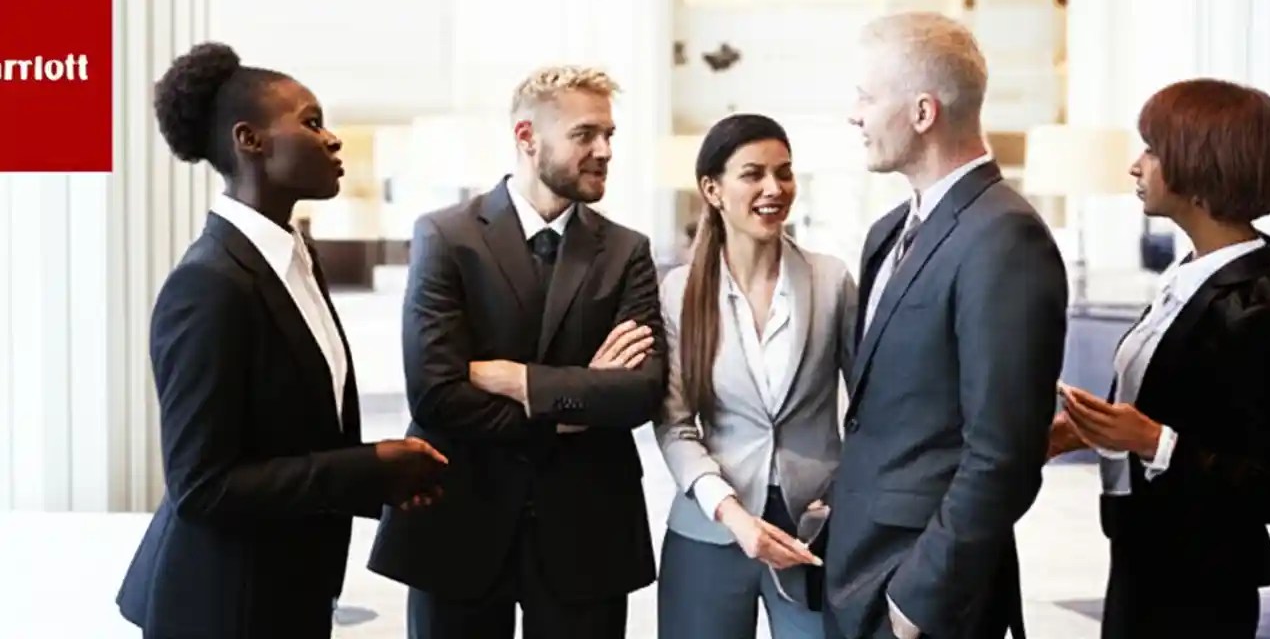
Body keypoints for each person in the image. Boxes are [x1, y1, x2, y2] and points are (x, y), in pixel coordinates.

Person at [115, 42, 449, 639]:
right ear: (251, 140)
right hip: (224, 604)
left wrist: (381, 479)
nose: (333, 139)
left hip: (288, 589)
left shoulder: (296, 260)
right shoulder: (208, 283)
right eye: (312, 122)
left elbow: (296, 437)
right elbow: (202, 485)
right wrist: (367, 469)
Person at [366, 64, 667, 639]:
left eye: (609, 135)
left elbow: (638, 392)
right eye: (585, 135)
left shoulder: (626, 251)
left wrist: (518, 381)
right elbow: (436, 394)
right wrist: (577, 403)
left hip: (586, 534)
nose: (605, 150)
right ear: (527, 137)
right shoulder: (446, 236)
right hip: (458, 524)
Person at [823, 12, 1069, 639]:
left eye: (866, 96)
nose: (854, 114)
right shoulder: (887, 233)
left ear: (923, 112)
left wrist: (920, 599)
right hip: (859, 566)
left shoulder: (1005, 238)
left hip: (928, 591)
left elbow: (1004, 453)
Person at [1051, 78, 1270, 639]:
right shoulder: (1187, 274)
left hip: (1202, 579)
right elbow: (1182, 405)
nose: (1136, 165)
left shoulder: (1264, 301)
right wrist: (1088, 432)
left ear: (1201, 167)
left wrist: (1153, 441)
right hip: (1145, 555)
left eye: (1151, 149)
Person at [653, 113, 858, 638]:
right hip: (711, 526)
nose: (774, 189)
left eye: (784, 173)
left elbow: (869, 410)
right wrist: (731, 514)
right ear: (712, 189)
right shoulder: (679, 292)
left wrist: (839, 494)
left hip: (814, 529)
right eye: (753, 174)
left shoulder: (830, 280)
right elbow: (675, 426)